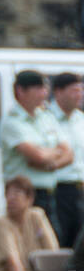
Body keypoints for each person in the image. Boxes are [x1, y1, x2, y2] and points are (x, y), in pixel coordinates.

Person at [0, 70, 71, 231]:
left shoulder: (46, 117)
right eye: (38, 89)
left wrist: (50, 163)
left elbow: (68, 152)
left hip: (49, 192)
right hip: (24, 195)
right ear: (21, 91)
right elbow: (37, 156)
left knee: (52, 245)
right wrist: (53, 152)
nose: (44, 93)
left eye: (45, 89)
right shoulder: (12, 121)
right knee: (27, 243)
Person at [49, 72, 84, 252]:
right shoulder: (46, 118)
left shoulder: (81, 119)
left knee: (80, 244)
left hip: (80, 190)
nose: (79, 95)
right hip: (58, 189)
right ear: (58, 92)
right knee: (60, 242)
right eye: (74, 90)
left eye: (81, 90)